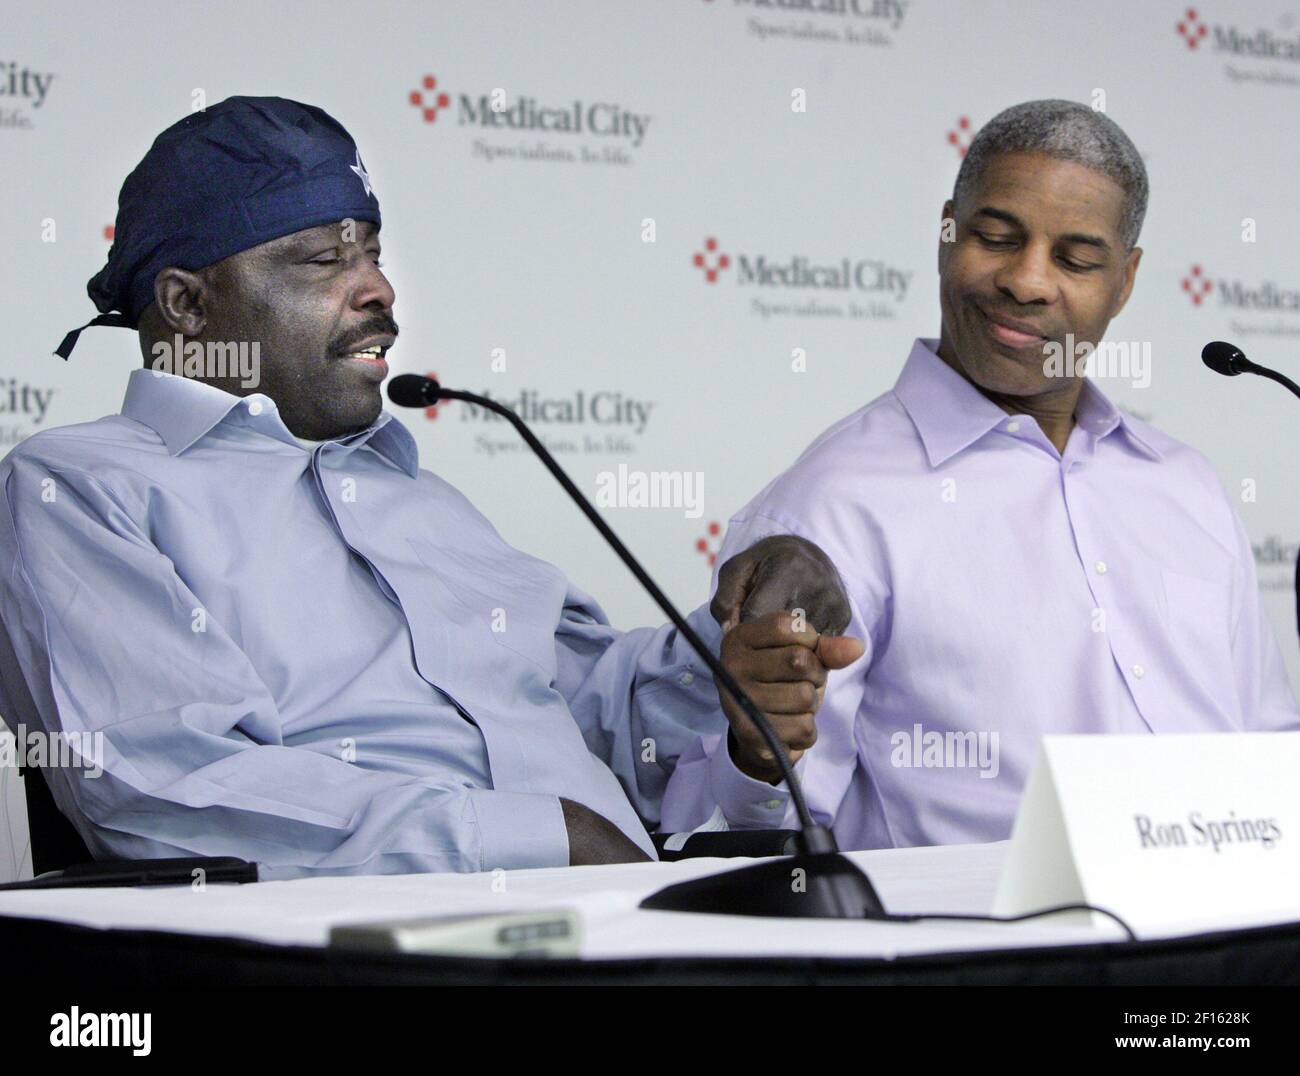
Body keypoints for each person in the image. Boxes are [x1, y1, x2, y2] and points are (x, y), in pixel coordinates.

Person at [0, 96, 862, 879]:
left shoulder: (415, 497)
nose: (378, 287)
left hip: (612, 923)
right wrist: (538, 838)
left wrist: (733, 650)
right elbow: (170, 788)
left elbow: (598, 710)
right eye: (322, 259)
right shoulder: (80, 489)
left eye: (370, 251)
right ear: (188, 306)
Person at [662, 99, 1299, 847]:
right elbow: (760, 833)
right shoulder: (825, 512)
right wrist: (754, 754)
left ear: (1124, 282)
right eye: (996, 238)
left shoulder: (1187, 485)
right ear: (945, 234)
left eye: (1076, 259)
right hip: (1001, 953)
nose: (1026, 281)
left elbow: (1270, 746)